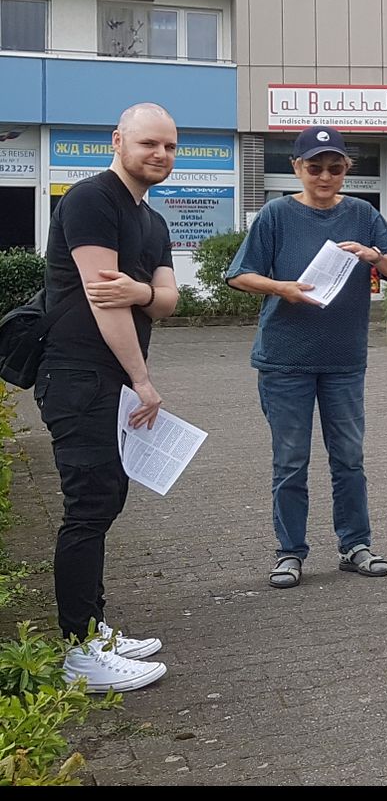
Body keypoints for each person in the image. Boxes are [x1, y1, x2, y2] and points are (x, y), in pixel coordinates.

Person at [225, 126, 387, 589]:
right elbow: (239, 274)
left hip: (344, 360)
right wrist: (280, 288)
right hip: (285, 360)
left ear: (346, 169)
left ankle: (355, 545)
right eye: (315, 167)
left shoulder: (363, 214)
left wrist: (372, 255)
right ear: (297, 168)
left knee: (349, 458)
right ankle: (290, 552)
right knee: (291, 462)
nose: (325, 176)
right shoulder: (275, 214)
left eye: (334, 167)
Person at [41, 103, 180, 692]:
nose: (161, 154)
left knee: (106, 497)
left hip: (110, 381)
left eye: (170, 146)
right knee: (89, 505)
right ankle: (79, 651)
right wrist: (142, 380)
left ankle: (94, 629)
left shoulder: (152, 220)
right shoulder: (91, 199)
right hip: (78, 375)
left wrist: (141, 291)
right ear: (118, 140)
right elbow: (105, 301)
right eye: (149, 143)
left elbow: (168, 301)